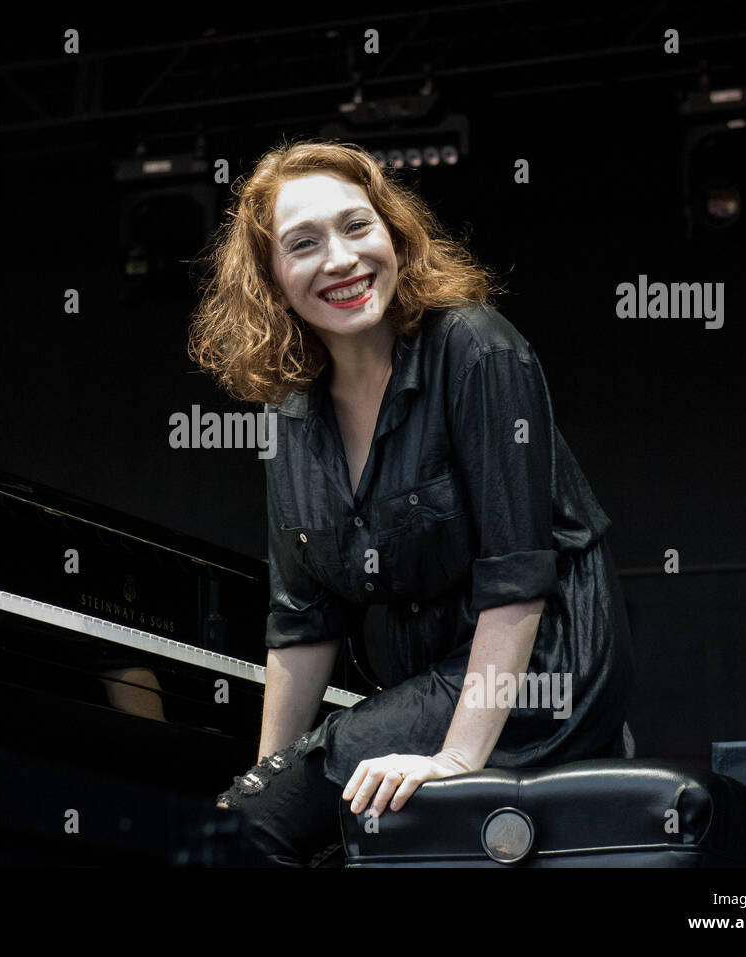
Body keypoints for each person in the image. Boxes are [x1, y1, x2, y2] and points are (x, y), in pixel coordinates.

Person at [187, 139, 635, 867]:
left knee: (252, 832)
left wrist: (458, 760)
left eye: (357, 226)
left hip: (540, 677)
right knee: (254, 824)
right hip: (427, 688)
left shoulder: (477, 349)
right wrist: (264, 780)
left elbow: (517, 581)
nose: (341, 258)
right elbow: (302, 620)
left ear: (394, 234)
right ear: (270, 279)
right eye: (304, 244)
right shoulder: (293, 415)